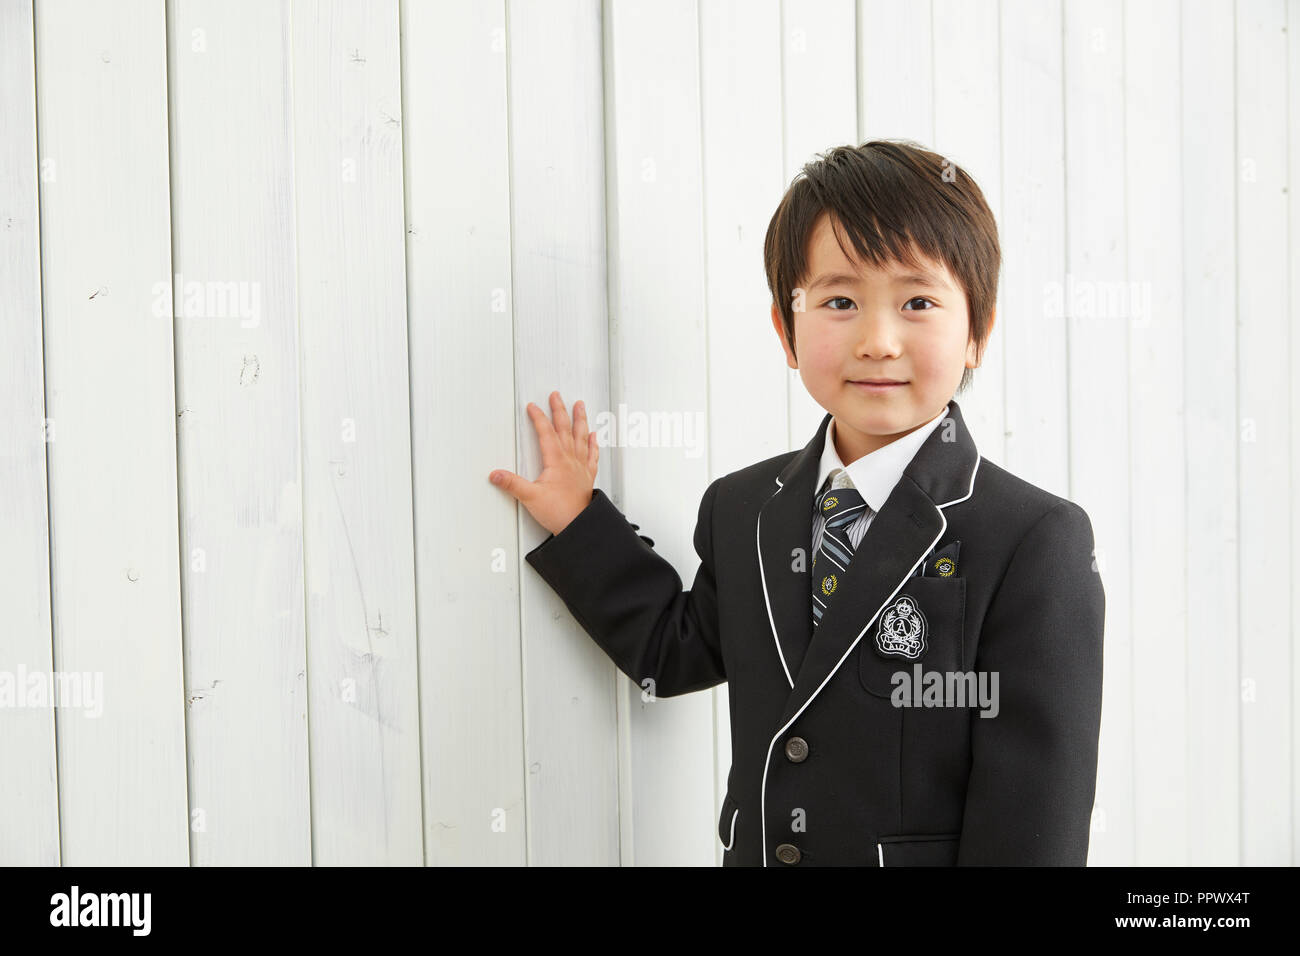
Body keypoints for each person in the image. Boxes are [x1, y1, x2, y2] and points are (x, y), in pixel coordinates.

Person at [488, 139, 1105, 867]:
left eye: (917, 302)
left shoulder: (1033, 538)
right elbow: (673, 652)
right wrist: (579, 521)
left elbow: (1035, 817)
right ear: (786, 330)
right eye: (840, 302)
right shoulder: (743, 506)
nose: (878, 342)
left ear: (977, 332)